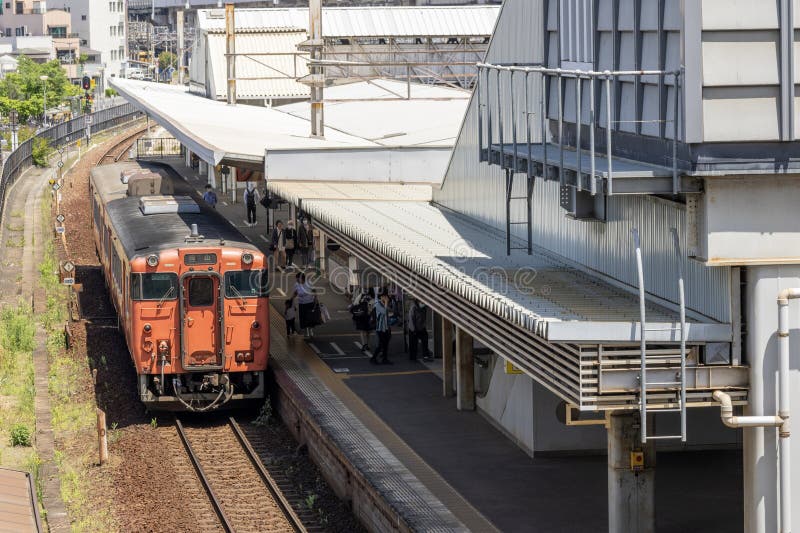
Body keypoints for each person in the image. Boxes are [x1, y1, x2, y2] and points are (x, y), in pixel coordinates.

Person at [371, 289, 392, 365]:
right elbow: (383, 312)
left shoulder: (383, 303)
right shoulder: (377, 304)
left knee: (386, 344)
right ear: (382, 297)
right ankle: (373, 358)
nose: (387, 298)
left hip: (386, 327)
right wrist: (386, 303)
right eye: (385, 296)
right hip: (380, 328)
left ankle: (385, 359)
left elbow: (388, 312)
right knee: (380, 345)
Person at [349, 287, 374, 352]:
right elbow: (373, 305)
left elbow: (355, 303)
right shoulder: (371, 296)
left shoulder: (361, 295)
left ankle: (364, 344)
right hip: (367, 315)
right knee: (368, 331)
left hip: (361, 315)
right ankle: (367, 344)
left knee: (362, 330)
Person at [293, 272, 316, 338]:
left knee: (310, 318)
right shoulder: (296, 285)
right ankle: (306, 331)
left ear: (302, 279)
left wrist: (316, 300)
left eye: (297, 279)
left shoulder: (309, 283)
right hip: (301, 303)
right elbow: (295, 293)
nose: (297, 280)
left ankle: (311, 330)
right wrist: (291, 299)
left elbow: (314, 291)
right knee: (303, 318)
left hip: (310, 302)